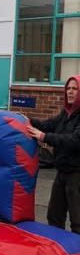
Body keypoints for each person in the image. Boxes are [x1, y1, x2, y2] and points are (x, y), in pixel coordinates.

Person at [27, 75, 80, 232]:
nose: (70, 92)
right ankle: (59, 252)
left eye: (75, 89)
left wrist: (44, 137)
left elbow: (74, 140)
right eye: (68, 88)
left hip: (76, 175)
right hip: (62, 172)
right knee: (54, 216)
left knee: (77, 221)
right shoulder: (66, 113)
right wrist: (27, 121)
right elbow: (48, 124)